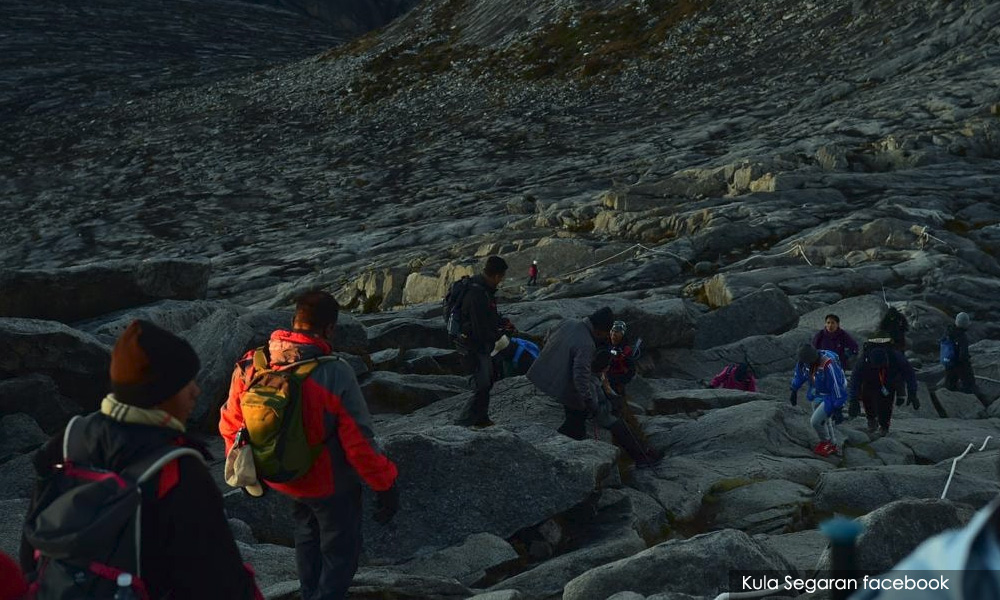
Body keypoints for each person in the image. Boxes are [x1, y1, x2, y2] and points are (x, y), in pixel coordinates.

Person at [21, 320, 262, 599]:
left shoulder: (68, 439)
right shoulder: (177, 468)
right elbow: (219, 578)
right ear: (159, 393)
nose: (196, 391)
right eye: (185, 383)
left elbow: (32, 541)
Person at [220, 291, 398, 600]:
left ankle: (308, 592)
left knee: (305, 534)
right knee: (340, 552)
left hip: (284, 477)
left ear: (293, 321)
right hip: (330, 484)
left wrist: (247, 471)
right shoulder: (334, 372)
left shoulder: (252, 363)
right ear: (330, 329)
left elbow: (230, 424)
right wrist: (385, 484)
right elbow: (358, 442)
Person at [527, 307, 661, 468]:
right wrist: (591, 403)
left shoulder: (568, 322)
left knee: (577, 423)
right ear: (599, 330)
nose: (608, 336)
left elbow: (548, 337)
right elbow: (581, 378)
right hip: (567, 387)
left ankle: (641, 453)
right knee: (582, 421)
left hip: (547, 375)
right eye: (607, 333)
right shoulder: (586, 344)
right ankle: (641, 457)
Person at [454, 255, 508, 427]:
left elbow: (488, 316)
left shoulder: (483, 288)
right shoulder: (477, 294)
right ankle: (463, 422)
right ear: (497, 276)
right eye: (502, 277)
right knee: (482, 384)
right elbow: (479, 328)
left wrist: (501, 323)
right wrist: (498, 336)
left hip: (478, 343)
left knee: (489, 379)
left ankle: (481, 418)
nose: (502, 281)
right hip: (473, 345)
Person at [847, 332, 918, 437]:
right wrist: (853, 399)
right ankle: (871, 421)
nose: (879, 368)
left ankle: (884, 427)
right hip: (869, 382)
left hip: (888, 381)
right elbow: (855, 379)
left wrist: (912, 392)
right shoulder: (863, 360)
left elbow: (909, 373)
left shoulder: (895, 356)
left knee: (886, 405)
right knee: (868, 401)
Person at [790, 343, 848, 457]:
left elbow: (836, 386)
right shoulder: (803, 362)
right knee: (824, 420)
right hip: (817, 391)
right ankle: (833, 444)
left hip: (832, 393)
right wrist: (794, 390)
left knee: (815, 421)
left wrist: (838, 407)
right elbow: (799, 376)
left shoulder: (828, 365)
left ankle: (825, 442)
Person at [943, 312, 976, 394]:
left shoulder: (949, 331)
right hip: (959, 363)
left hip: (948, 361)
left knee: (950, 384)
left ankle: (947, 399)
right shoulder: (962, 336)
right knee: (969, 383)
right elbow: (963, 354)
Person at [606, 320, 637, 396]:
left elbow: (631, 371)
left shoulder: (626, 350)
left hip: (618, 379)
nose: (613, 335)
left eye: (616, 332)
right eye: (612, 331)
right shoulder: (605, 344)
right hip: (605, 376)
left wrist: (621, 381)